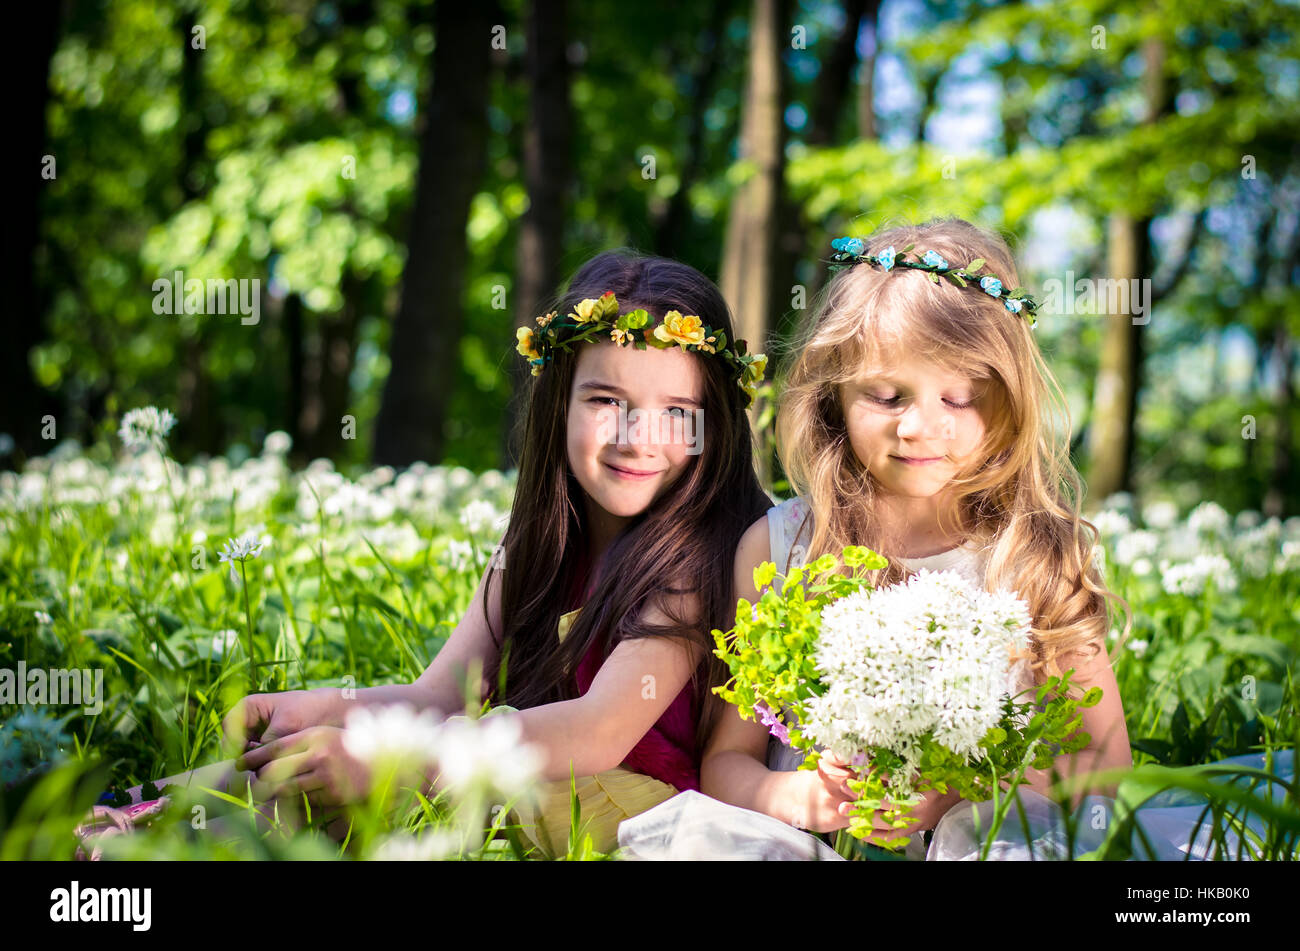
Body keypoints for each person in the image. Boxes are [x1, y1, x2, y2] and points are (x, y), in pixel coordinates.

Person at [116, 250, 772, 858]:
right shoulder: (539, 546)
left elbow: (597, 731)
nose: (636, 436)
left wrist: (402, 760)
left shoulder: (695, 559)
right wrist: (324, 706)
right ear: (559, 404)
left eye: (675, 411)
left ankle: (145, 847)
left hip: (629, 818)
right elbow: (440, 694)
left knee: (364, 790)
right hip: (530, 781)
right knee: (300, 750)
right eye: (606, 400)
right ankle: (121, 810)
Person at [694, 218, 1136, 860]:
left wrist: (958, 793)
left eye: (959, 397)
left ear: (1008, 403)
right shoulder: (780, 548)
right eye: (885, 394)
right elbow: (726, 765)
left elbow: (1100, 768)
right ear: (834, 397)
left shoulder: (1034, 556)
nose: (920, 427)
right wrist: (801, 799)